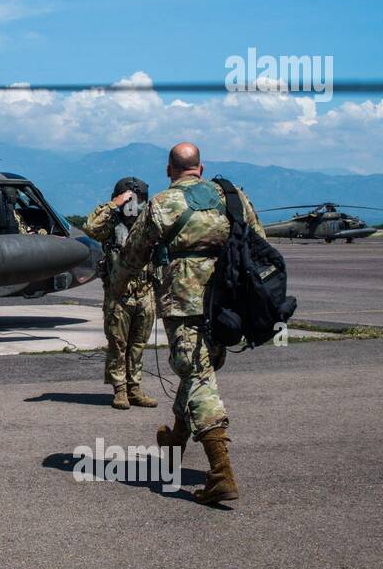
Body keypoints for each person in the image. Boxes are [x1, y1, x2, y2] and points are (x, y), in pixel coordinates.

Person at [117, 142, 265, 505]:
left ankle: (221, 471)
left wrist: (118, 286)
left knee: (197, 375)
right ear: (201, 167)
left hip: (184, 301)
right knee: (200, 368)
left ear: (170, 170)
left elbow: (133, 254)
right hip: (227, 301)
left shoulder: (163, 203)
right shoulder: (232, 196)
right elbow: (259, 241)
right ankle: (174, 442)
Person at [82, 177, 157, 410]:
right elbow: (90, 227)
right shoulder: (111, 225)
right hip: (119, 295)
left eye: (138, 199)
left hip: (145, 293)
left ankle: (135, 388)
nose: (133, 205)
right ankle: (120, 390)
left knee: (138, 345)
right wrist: (114, 204)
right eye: (130, 199)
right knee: (118, 344)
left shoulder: (149, 222)